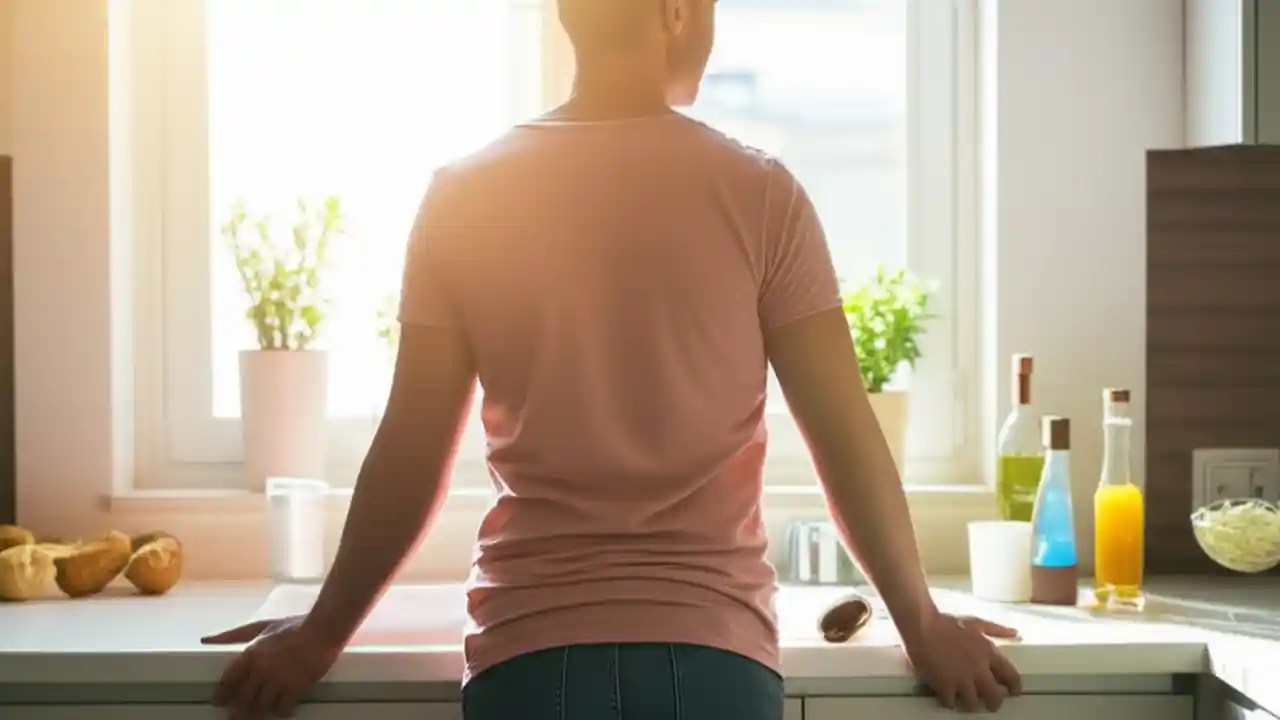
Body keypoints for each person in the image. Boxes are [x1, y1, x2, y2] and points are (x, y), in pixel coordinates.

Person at [203, 1, 1022, 718]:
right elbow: (845, 438)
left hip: (528, 656)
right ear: (674, 10)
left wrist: (319, 636)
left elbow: (411, 454)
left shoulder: (463, 196)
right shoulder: (761, 194)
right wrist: (919, 623)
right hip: (715, 661)